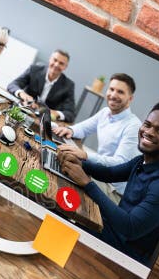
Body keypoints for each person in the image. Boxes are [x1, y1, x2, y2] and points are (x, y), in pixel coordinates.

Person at [59, 101, 159, 264]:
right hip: (109, 230)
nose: (149, 132)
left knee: (60, 209)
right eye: (147, 125)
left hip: (123, 256)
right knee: (59, 203)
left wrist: (87, 183)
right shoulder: (141, 161)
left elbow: (130, 227)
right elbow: (110, 174)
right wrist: (79, 162)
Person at [54, 73, 141, 203]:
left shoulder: (133, 126)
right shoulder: (105, 112)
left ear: (130, 98)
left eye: (120, 92)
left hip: (113, 190)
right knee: (62, 161)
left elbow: (119, 163)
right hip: (100, 174)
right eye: (111, 89)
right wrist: (70, 130)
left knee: (68, 168)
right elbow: (83, 128)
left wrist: (85, 155)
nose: (113, 95)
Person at [7, 50, 75, 122]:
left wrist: (55, 113)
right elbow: (13, 85)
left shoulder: (68, 85)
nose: (56, 64)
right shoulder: (34, 69)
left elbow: (70, 113)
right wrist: (22, 94)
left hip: (44, 121)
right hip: (23, 111)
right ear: (50, 59)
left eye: (61, 63)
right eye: (55, 60)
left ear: (65, 67)